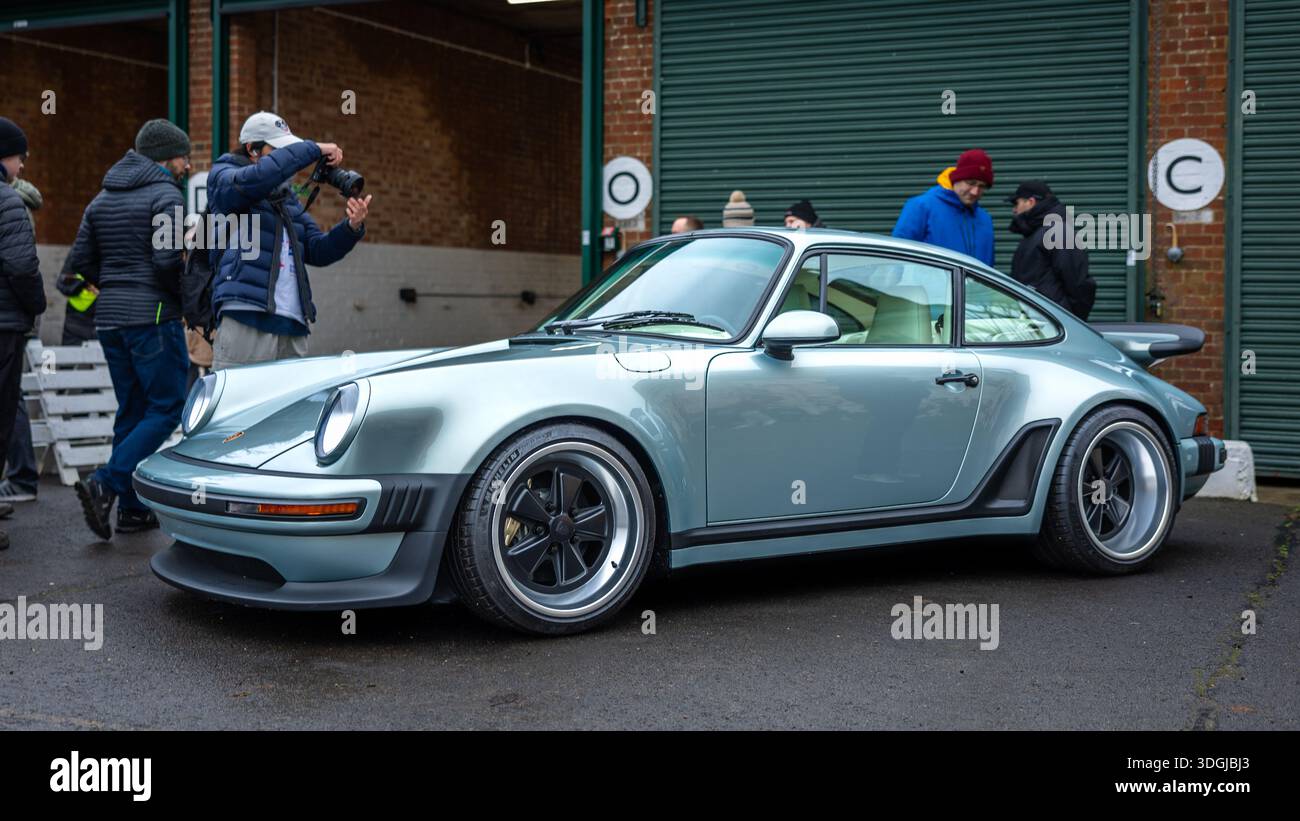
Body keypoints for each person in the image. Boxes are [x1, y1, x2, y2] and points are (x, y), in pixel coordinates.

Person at [68, 118, 192, 540]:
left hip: (109, 320)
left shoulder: (100, 200)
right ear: (163, 157)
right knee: (167, 408)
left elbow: (77, 266)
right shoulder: (167, 196)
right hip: (153, 318)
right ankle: (107, 480)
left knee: (134, 410)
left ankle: (132, 511)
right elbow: (165, 261)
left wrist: (115, 283)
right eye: (182, 156)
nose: (187, 165)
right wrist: (184, 298)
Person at [207, 111, 371, 369]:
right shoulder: (225, 177)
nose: (287, 158)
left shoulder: (286, 199)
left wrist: (351, 227)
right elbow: (260, 176)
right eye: (279, 148)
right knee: (239, 405)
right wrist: (313, 149)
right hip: (246, 313)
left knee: (291, 410)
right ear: (252, 149)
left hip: (293, 323)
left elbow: (317, 250)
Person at [0, 117, 47, 545]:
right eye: (19, 157)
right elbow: (20, 266)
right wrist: (37, 306)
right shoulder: (9, 202)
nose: (22, 167)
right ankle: (21, 477)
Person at [1006, 180, 1096, 319]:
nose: (1014, 209)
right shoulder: (1035, 233)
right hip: (1038, 321)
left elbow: (1078, 285)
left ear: (1030, 202)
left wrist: (1070, 321)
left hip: (1052, 323)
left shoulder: (1056, 232)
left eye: (1016, 203)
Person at [892, 148, 995, 265]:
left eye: (982, 186)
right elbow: (898, 258)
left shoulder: (985, 219)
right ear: (957, 178)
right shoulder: (921, 207)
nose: (975, 192)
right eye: (970, 183)